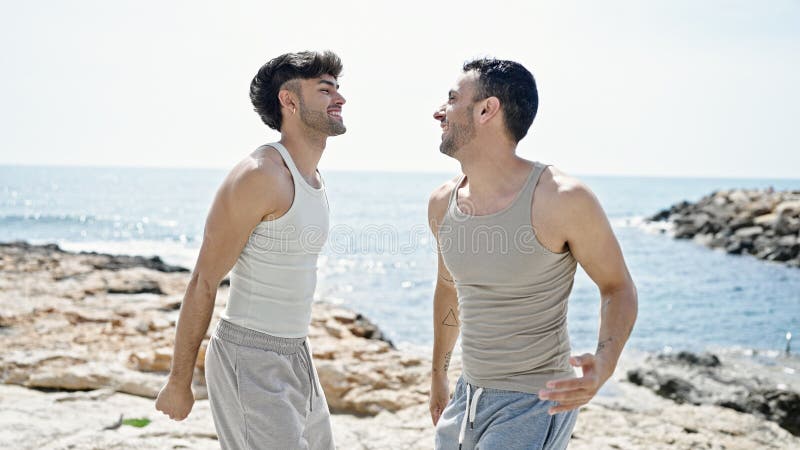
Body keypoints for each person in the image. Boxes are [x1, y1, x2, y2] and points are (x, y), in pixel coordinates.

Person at [427, 58, 638, 450]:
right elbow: (448, 291)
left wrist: (604, 366)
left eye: (453, 99)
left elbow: (617, 286)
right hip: (466, 396)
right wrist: (439, 375)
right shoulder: (443, 203)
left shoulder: (561, 198)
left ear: (487, 109)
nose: (439, 111)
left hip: (533, 402)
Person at [155, 50, 346, 450]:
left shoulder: (312, 176)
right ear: (289, 101)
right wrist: (179, 381)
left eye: (338, 89)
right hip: (250, 356)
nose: (339, 99)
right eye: (325, 90)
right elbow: (204, 280)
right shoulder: (259, 176)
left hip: (298, 352)